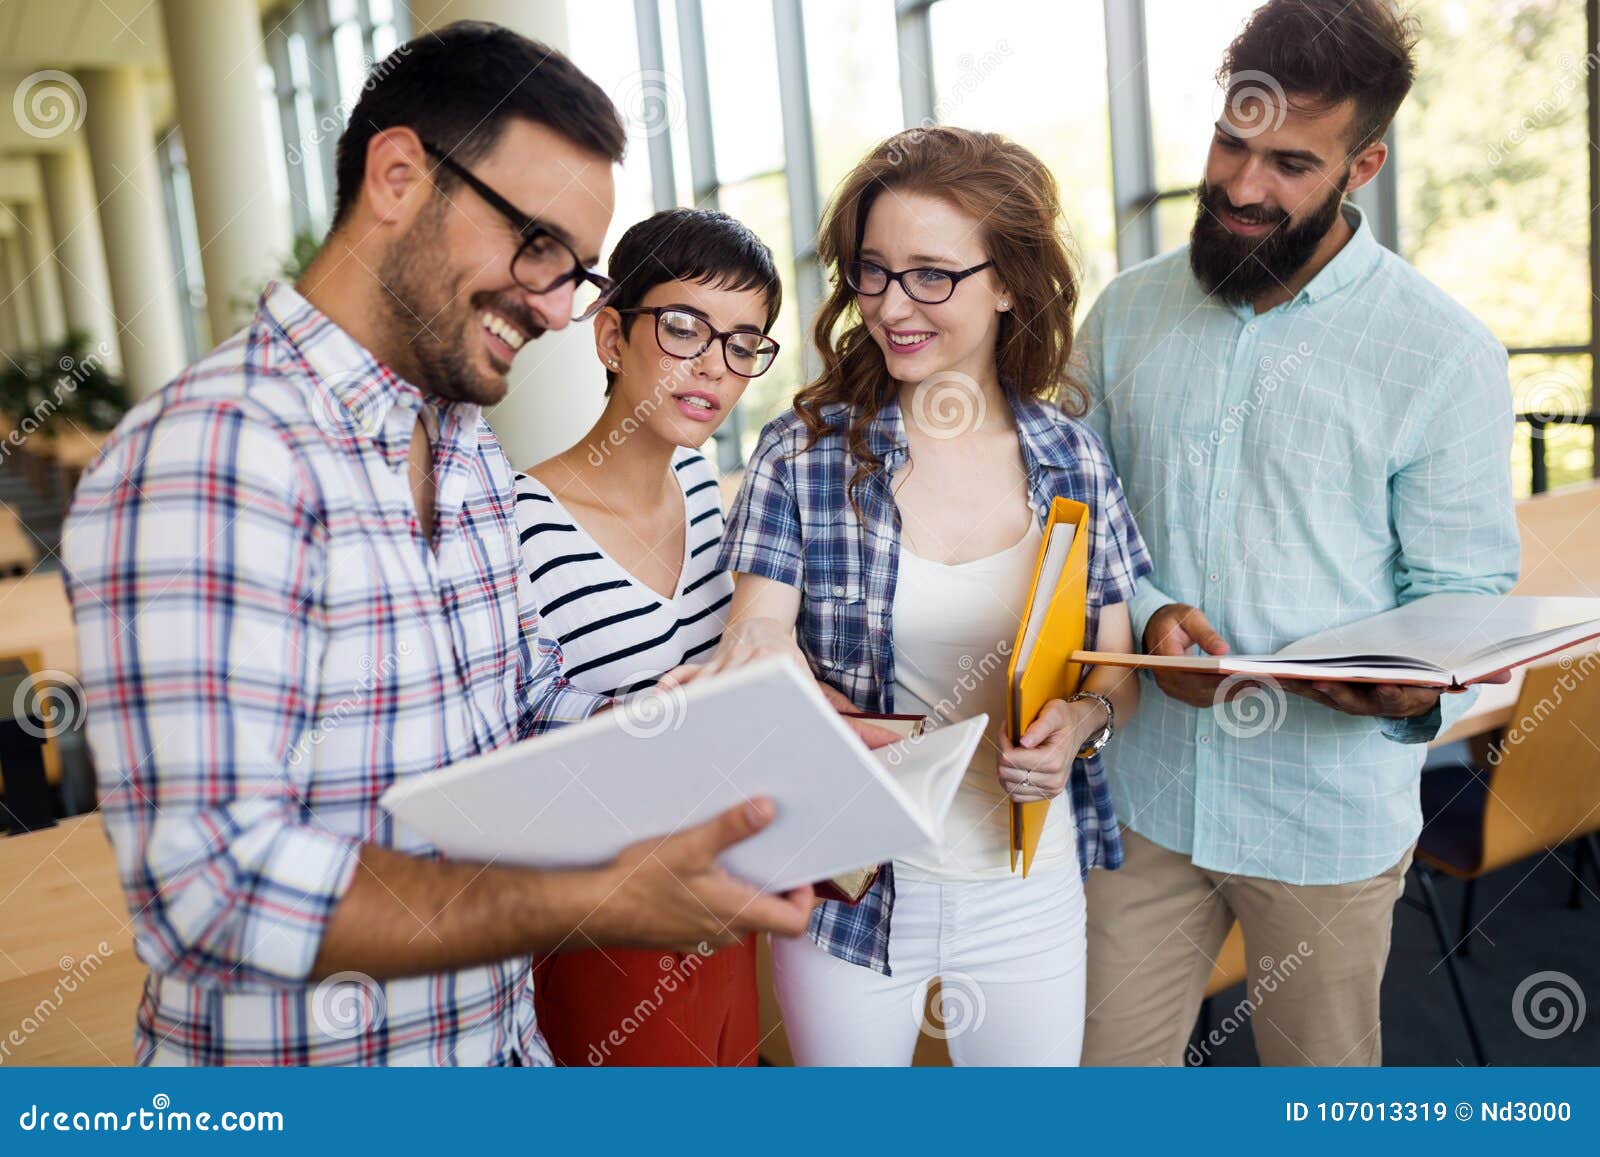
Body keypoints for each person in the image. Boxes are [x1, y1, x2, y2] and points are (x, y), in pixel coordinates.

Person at [60, 21, 812, 1068]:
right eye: (536, 244)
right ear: (399, 177)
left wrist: (717, 730)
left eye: (574, 272)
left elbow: (533, 706)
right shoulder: (217, 451)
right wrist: (592, 898)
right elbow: (211, 893)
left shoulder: (463, 450)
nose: (557, 307)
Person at [1077, 0, 1519, 1067]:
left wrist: (1413, 688)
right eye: (1231, 141)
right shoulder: (1124, 314)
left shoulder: (1443, 353)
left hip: (1322, 816)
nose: (1241, 186)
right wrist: (1150, 611)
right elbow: (1073, 518)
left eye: (1288, 163)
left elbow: (1463, 593)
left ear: (1361, 167)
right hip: (1144, 793)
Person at [694, 126, 1149, 1066]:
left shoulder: (1071, 457)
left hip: (1026, 882)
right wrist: (772, 669)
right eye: (873, 271)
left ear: (1008, 282)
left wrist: (1081, 720)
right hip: (853, 884)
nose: (892, 306)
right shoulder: (804, 451)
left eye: (931, 276)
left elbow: (1115, 668)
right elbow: (757, 630)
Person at [515, 207, 783, 1066]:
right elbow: (507, 728)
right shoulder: (518, 525)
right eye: (683, 328)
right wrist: (647, 714)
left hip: (720, 886)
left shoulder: (704, 485)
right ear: (610, 337)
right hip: (604, 913)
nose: (714, 366)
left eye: (743, 343)